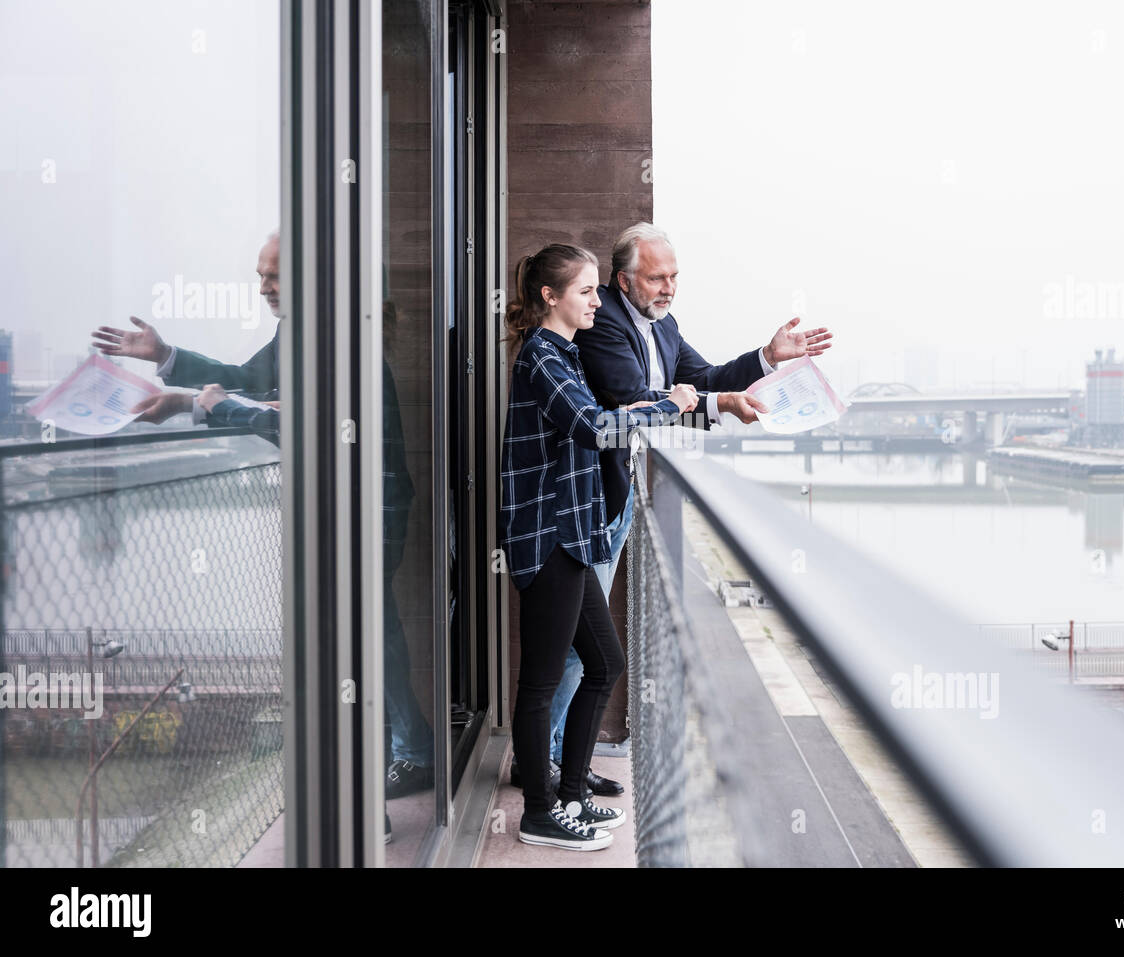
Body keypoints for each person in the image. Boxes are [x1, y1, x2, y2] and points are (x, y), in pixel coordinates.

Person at [91, 235, 437, 837]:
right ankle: (416, 753)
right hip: (361, 511)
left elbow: (294, 424)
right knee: (374, 640)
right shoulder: (306, 334)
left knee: (347, 658)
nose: (263, 288)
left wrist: (205, 406)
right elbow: (249, 380)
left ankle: (363, 813)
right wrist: (168, 359)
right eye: (260, 275)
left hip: (359, 516)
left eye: (274, 275)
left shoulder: (333, 342)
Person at [513, 222, 834, 795]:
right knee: (563, 657)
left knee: (589, 655)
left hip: (590, 509)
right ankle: (550, 768)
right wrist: (693, 403)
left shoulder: (661, 328)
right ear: (622, 280)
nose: (669, 287)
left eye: (675, 277)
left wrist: (764, 360)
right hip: (573, 515)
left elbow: (700, 378)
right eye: (658, 277)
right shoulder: (598, 324)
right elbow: (625, 399)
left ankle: (564, 771)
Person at [500, 243, 697, 850]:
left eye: (596, 290)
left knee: (605, 663)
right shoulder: (542, 357)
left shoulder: (565, 355)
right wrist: (671, 404)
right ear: (550, 297)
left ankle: (571, 794)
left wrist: (642, 407)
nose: (596, 301)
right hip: (549, 537)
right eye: (586, 292)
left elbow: (594, 417)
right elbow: (592, 427)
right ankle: (540, 813)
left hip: (573, 535)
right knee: (538, 684)